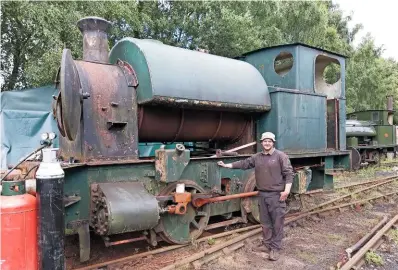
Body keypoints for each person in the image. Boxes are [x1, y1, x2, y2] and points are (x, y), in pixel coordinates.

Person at [217, 132, 294, 261]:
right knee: (265, 222)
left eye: (269, 141)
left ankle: (275, 248)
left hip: (276, 195)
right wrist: (227, 165)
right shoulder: (257, 157)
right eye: (265, 141)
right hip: (262, 194)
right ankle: (266, 244)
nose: (267, 143)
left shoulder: (281, 156)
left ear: (273, 142)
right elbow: (244, 164)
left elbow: (289, 174)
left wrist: (286, 191)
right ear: (261, 142)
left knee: (277, 222)